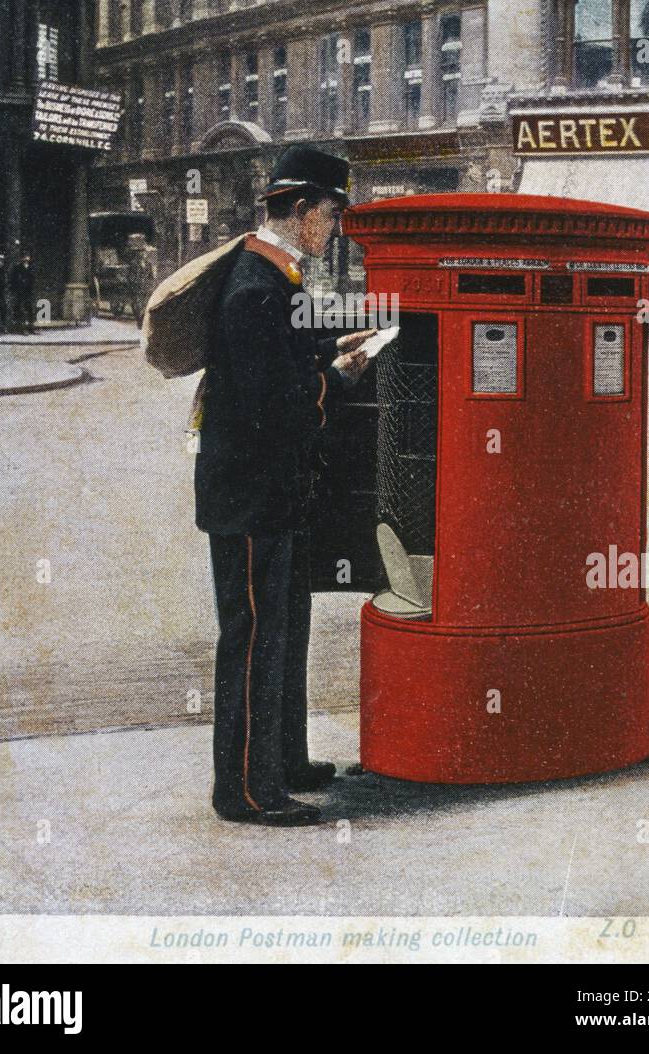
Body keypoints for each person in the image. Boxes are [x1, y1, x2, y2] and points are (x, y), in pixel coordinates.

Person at [194, 145, 376, 827]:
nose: (332, 228)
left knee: (284, 630)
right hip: (249, 497)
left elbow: (285, 360)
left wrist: (330, 348)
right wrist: (342, 376)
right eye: (329, 214)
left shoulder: (275, 279)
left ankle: (285, 761)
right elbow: (278, 403)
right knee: (251, 641)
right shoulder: (253, 287)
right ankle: (243, 789)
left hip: (273, 493)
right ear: (299, 210)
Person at [9, 251, 36, 334]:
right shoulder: (17, 267)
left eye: (28, 256)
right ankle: (22, 329)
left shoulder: (31, 267)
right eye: (25, 257)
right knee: (20, 310)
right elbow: (13, 279)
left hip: (28, 292)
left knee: (30, 310)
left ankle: (31, 328)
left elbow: (33, 279)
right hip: (20, 292)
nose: (27, 258)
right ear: (22, 258)